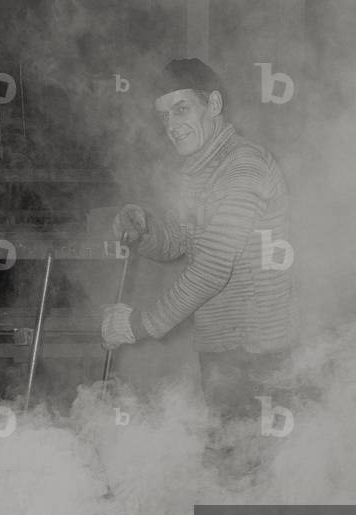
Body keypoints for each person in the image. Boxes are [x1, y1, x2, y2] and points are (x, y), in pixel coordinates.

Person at [100, 58, 298, 446]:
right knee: (230, 471)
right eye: (163, 116)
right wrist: (145, 229)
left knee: (251, 476)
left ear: (214, 105)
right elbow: (179, 240)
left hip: (259, 354)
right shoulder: (198, 171)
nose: (172, 125)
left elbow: (211, 267)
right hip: (223, 351)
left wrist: (137, 325)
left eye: (182, 109)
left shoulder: (244, 167)